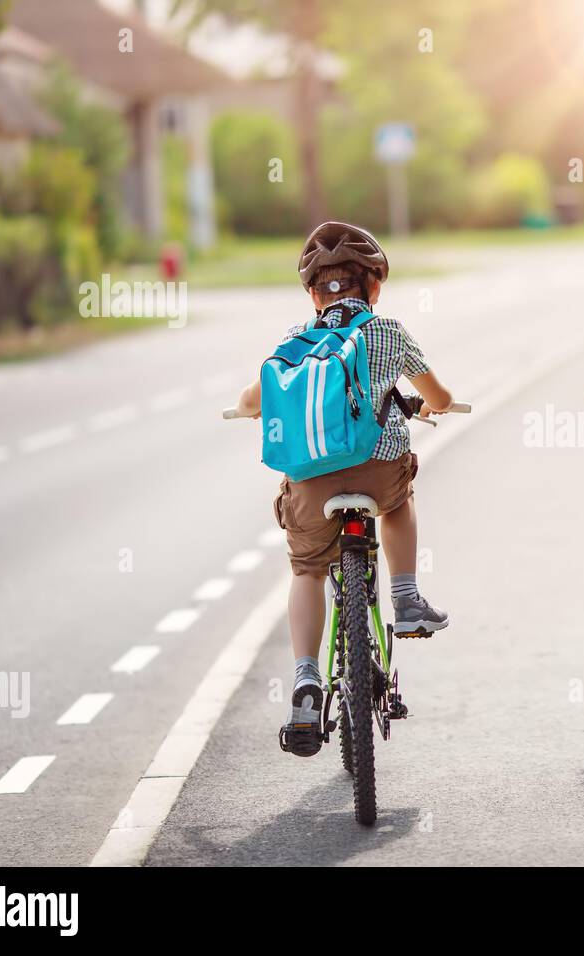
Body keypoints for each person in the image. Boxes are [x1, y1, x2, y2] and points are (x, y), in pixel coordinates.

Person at [234, 221, 455, 755]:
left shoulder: (294, 340)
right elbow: (439, 396)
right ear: (373, 286)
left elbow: (252, 399)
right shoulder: (390, 333)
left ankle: (307, 677)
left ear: (313, 293)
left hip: (312, 486)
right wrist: (430, 406)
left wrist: (249, 407)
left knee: (308, 569)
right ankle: (404, 598)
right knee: (400, 501)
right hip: (378, 473)